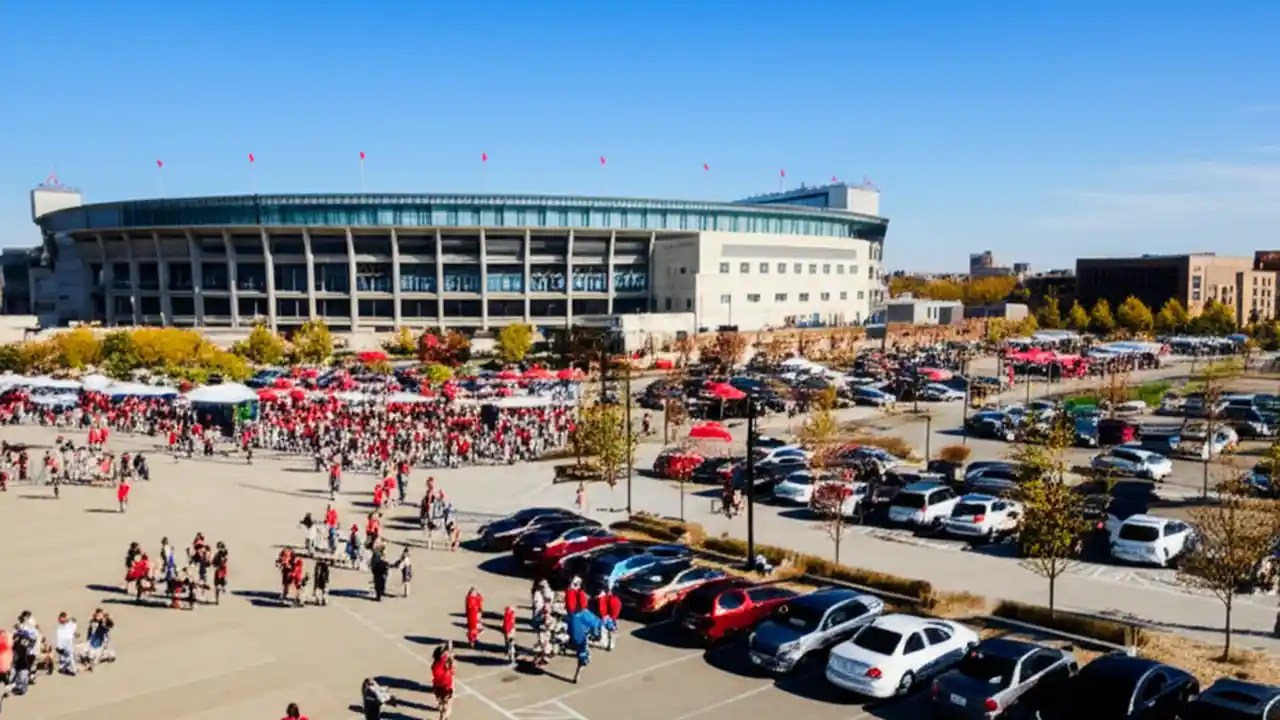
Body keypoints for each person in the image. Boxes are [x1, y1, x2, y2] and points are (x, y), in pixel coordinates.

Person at [566, 608, 602, 684]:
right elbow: (596, 624)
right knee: (583, 655)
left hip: (571, 638)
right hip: (581, 640)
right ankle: (577, 673)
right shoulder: (587, 614)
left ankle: (577, 673)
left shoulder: (570, 612)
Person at [430, 643, 454, 720]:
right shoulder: (441, 663)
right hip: (445, 686)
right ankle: (443, 717)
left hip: (437, 686)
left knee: (441, 701)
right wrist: (451, 657)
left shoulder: (434, 665)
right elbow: (450, 667)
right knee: (446, 704)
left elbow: (445, 656)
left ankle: (442, 713)